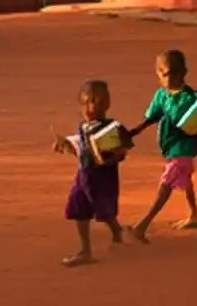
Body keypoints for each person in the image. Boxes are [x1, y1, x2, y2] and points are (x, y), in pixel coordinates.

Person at [126, 50, 197, 241]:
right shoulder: (161, 95)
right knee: (186, 182)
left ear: (183, 73)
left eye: (175, 73)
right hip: (170, 147)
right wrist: (134, 131)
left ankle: (142, 225)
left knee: (166, 185)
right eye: (165, 74)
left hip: (183, 150)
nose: (170, 78)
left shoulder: (192, 98)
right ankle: (194, 215)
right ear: (158, 75)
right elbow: (151, 118)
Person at [52, 80, 132, 267]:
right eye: (85, 103)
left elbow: (123, 150)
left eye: (94, 102)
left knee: (105, 212)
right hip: (84, 176)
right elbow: (79, 148)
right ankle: (85, 250)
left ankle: (117, 233)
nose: (88, 108)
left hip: (103, 179)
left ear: (106, 105)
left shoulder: (113, 127)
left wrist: (113, 156)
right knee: (80, 210)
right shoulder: (83, 127)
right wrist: (65, 146)